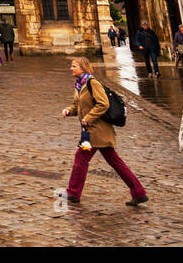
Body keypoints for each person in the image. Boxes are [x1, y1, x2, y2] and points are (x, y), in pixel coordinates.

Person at [61, 57, 148, 205]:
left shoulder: (92, 83)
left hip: (97, 131)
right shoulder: (79, 85)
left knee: (81, 159)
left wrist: (88, 117)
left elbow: (103, 103)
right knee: (115, 162)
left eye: (74, 66)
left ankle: (73, 192)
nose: (71, 68)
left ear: (83, 68)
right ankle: (138, 192)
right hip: (91, 131)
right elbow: (77, 106)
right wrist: (69, 111)